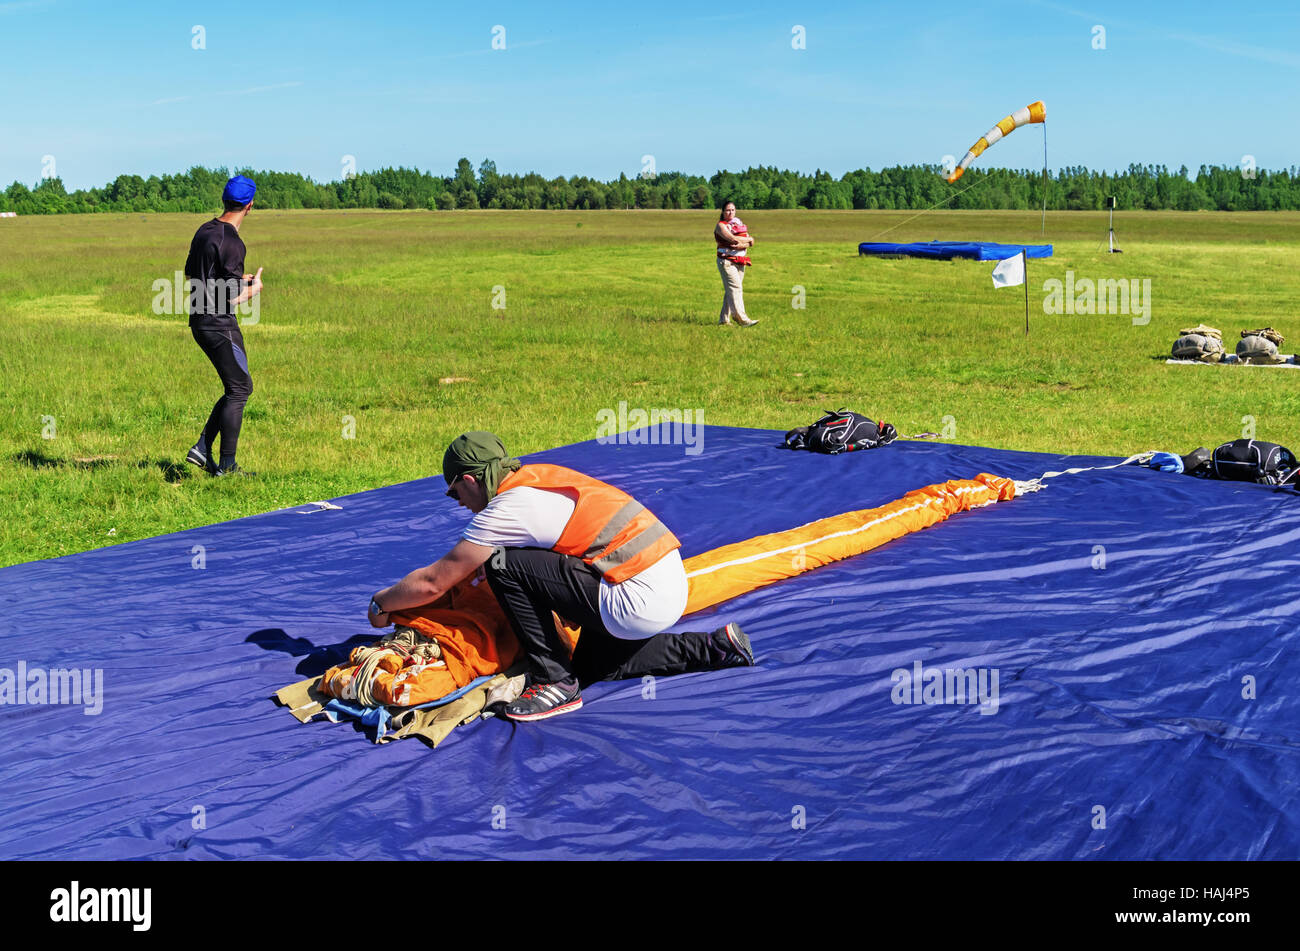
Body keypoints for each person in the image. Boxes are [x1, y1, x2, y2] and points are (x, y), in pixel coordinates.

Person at [368, 432, 754, 722]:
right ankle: (712, 647)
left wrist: (382, 603)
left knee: (502, 564)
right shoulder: (540, 478)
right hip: (664, 583)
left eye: (454, 494)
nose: (460, 505)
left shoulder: (506, 508)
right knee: (589, 663)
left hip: (631, 597)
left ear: (470, 480)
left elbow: (436, 581)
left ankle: (554, 683)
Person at [184, 174, 263, 476]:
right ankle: (225, 465)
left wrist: (237, 278)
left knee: (235, 387)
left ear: (224, 200)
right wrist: (251, 291)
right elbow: (225, 297)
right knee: (240, 388)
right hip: (219, 324)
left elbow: (196, 275)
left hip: (199, 322)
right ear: (250, 206)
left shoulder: (205, 231)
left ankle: (203, 450)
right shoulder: (233, 242)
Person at [715, 201, 757, 326]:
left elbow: (750, 244)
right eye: (728, 210)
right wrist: (748, 239)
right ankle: (742, 319)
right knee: (735, 288)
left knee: (731, 290)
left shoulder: (739, 225)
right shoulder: (720, 226)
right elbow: (732, 240)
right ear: (723, 212)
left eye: (733, 210)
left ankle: (723, 320)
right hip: (726, 261)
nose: (730, 212)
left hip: (740, 261)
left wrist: (747, 242)